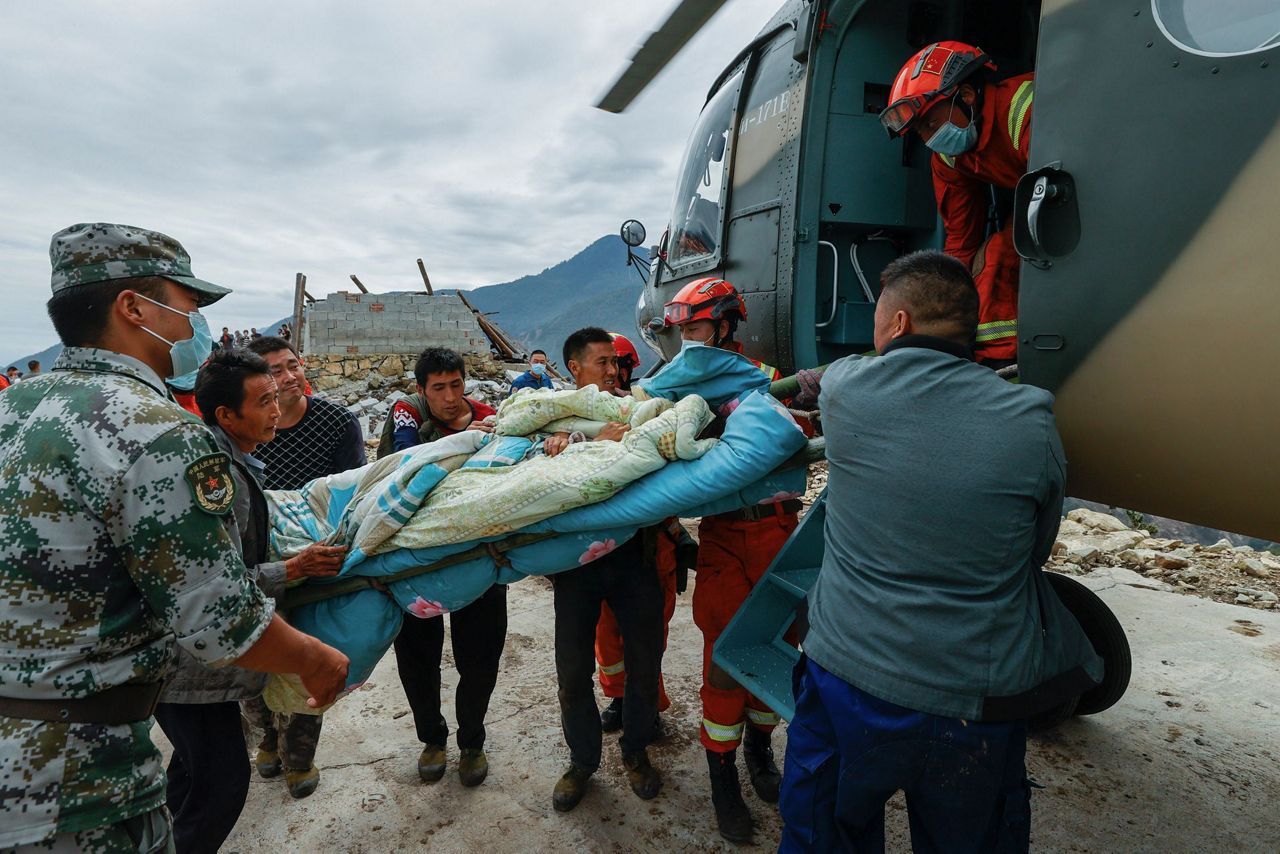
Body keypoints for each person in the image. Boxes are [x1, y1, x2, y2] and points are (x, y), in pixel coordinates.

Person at [0, 222, 348, 852]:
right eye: (187, 307)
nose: (196, 327)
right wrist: (315, 659)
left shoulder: (14, 408)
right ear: (133, 307)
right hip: (74, 781)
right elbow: (216, 618)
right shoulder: (159, 433)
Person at [778, 250, 1103, 852]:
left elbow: (815, 387)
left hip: (847, 675)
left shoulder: (848, 389)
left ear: (898, 325)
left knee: (823, 834)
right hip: (975, 697)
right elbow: (1033, 549)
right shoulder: (1032, 419)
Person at [154, 349, 347, 853]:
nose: (277, 408)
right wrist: (294, 568)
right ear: (225, 415)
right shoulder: (216, 474)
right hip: (193, 672)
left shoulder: (236, 460)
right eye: (263, 401)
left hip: (195, 669)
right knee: (221, 787)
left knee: (191, 772)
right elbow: (216, 580)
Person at [662, 277, 795, 843]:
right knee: (723, 653)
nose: (685, 341)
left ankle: (761, 753)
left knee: (777, 646)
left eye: (694, 328)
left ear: (722, 325)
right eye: (681, 331)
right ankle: (722, 779)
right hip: (723, 536)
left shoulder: (764, 380)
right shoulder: (684, 386)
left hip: (779, 529)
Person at [544, 327, 665, 813]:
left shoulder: (636, 407)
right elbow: (528, 461)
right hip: (576, 566)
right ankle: (583, 761)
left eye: (616, 363)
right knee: (573, 670)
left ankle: (635, 751)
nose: (614, 371)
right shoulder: (553, 414)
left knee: (645, 661)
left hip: (634, 558)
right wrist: (569, 441)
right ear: (574, 368)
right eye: (602, 363)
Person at [241, 335, 367, 798]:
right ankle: (266, 742)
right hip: (258, 562)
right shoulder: (247, 426)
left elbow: (349, 493)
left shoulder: (336, 422)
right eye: (275, 371)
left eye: (292, 365)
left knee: (307, 656)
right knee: (253, 655)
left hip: (318, 557)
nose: (290, 376)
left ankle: (299, 757)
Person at [380, 347, 508, 787]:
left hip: (477, 560)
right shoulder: (405, 414)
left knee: (480, 659)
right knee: (417, 659)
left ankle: (472, 742)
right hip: (416, 564)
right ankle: (433, 740)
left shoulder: (491, 417)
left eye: (457, 385)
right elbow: (402, 467)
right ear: (421, 390)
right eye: (439, 388)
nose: (451, 397)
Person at [879, 40, 1033, 368]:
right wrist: (938, 305)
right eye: (920, 132)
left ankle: (997, 369)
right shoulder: (949, 157)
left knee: (1000, 258)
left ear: (966, 96)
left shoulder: (1026, 110)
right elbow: (961, 242)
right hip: (1038, 206)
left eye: (931, 124)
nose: (929, 139)